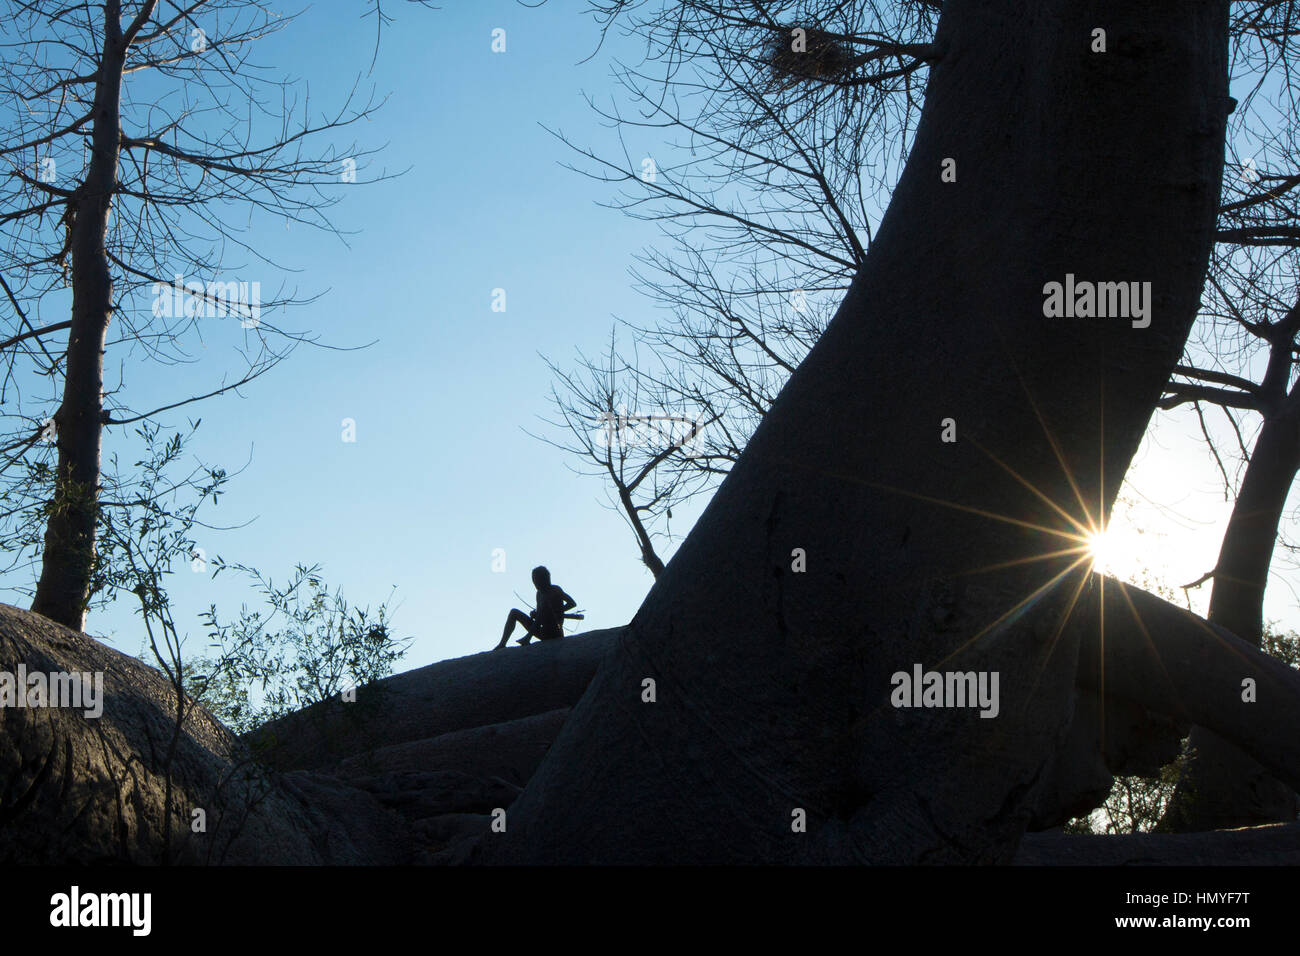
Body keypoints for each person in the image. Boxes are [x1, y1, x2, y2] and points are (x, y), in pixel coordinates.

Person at [494, 566, 577, 649]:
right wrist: (535, 614)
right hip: (543, 631)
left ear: (544, 579)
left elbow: (572, 603)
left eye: (536, 579)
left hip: (555, 632)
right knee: (514, 612)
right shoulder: (539, 594)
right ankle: (502, 643)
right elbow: (539, 616)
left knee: (544, 609)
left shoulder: (555, 590)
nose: (534, 582)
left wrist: (556, 611)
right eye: (533, 579)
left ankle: (527, 638)